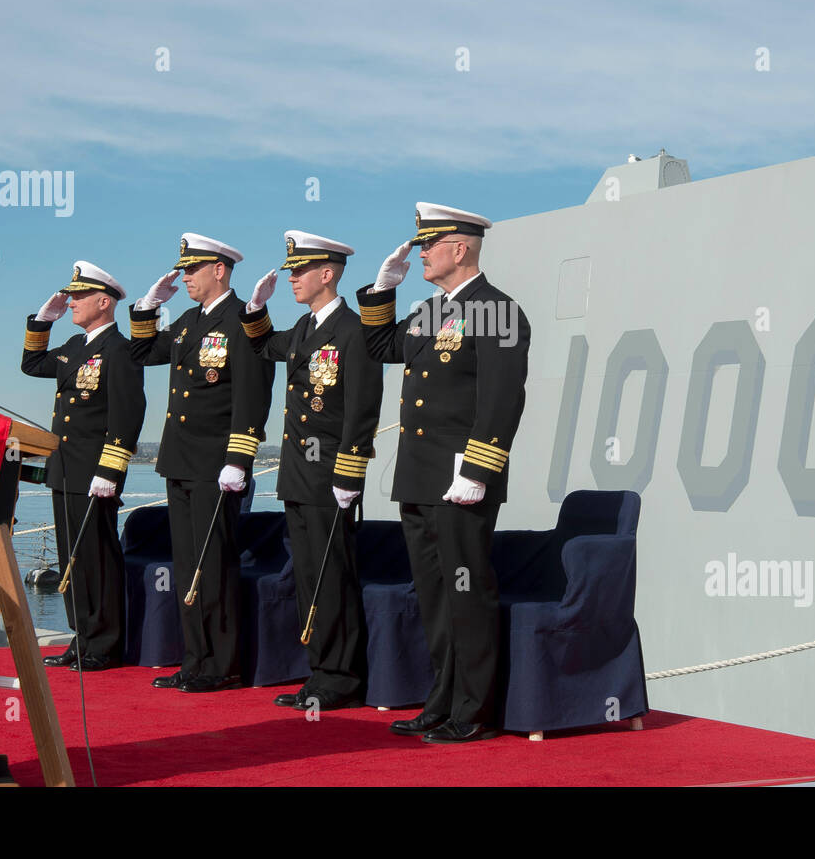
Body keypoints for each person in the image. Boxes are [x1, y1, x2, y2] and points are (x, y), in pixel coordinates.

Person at [357, 203, 530, 743]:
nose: (421, 254)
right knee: (433, 595)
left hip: (460, 479)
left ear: (460, 248)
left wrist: (478, 469)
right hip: (419, 474)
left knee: (466, 592)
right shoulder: (433, 311)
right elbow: (381, 347)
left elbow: (502, 398)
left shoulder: (497, 310)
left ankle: (474, 710)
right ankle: (442, 700)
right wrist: (382, 292)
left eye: (428, 245)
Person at [240, 231, 383, 712]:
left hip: (329, 475)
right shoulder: (303, 328)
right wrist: (255, 309)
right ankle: (320, 672)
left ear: (327, 273)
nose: (292, 279)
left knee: (331, 575)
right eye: (291, 271)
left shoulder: (354, 331)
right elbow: (263, 347)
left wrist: (349, 473)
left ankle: (341, 677)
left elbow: (363, 407)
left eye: (300, 271)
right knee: (308, 576)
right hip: (298, 473)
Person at [130, 233, 274, 693]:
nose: (186, 277)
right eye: (184, 270)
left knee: (213, 565)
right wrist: (148, 309)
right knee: (187, 563)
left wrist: (239, 458)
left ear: (219, 269)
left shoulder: (244, 320)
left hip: (216, 464)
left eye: (192, 269)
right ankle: (195, 659)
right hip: (179, 460)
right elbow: (143, 352)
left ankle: (221, 665)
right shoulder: (189, 321)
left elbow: (253, 394)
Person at [22, 261, 145, 671]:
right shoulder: (75, 346)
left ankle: (105, 644)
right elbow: (31, 365)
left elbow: (128, 413)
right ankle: (83, 636)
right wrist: (43, 322)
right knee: (71, 557)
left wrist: (110, 471)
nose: (71, 302)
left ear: (104, 302)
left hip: (95, 472)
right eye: (70, 296)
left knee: (96, 558)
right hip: (64, 468)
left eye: (79, 296)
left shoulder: (120, 351)